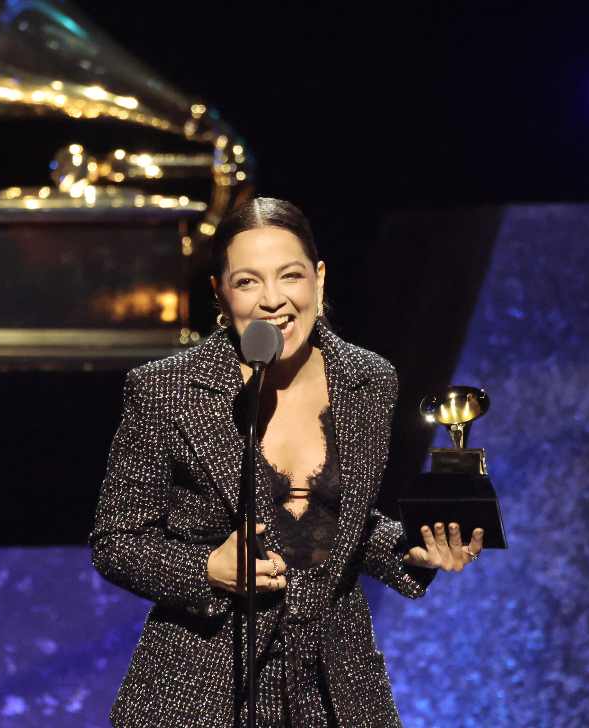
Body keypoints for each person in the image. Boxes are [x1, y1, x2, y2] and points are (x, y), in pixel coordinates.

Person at [90, 197, 484, 728]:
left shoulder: (368, 381)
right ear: (220, 294)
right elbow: (116, 540)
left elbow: (338, 524)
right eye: (248, 281)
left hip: (335, 687)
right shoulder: (167, 390)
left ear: (318, 280)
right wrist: (206, 568)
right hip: (202, 686)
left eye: (290, 275)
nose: (273, 300)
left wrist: (418, 550)